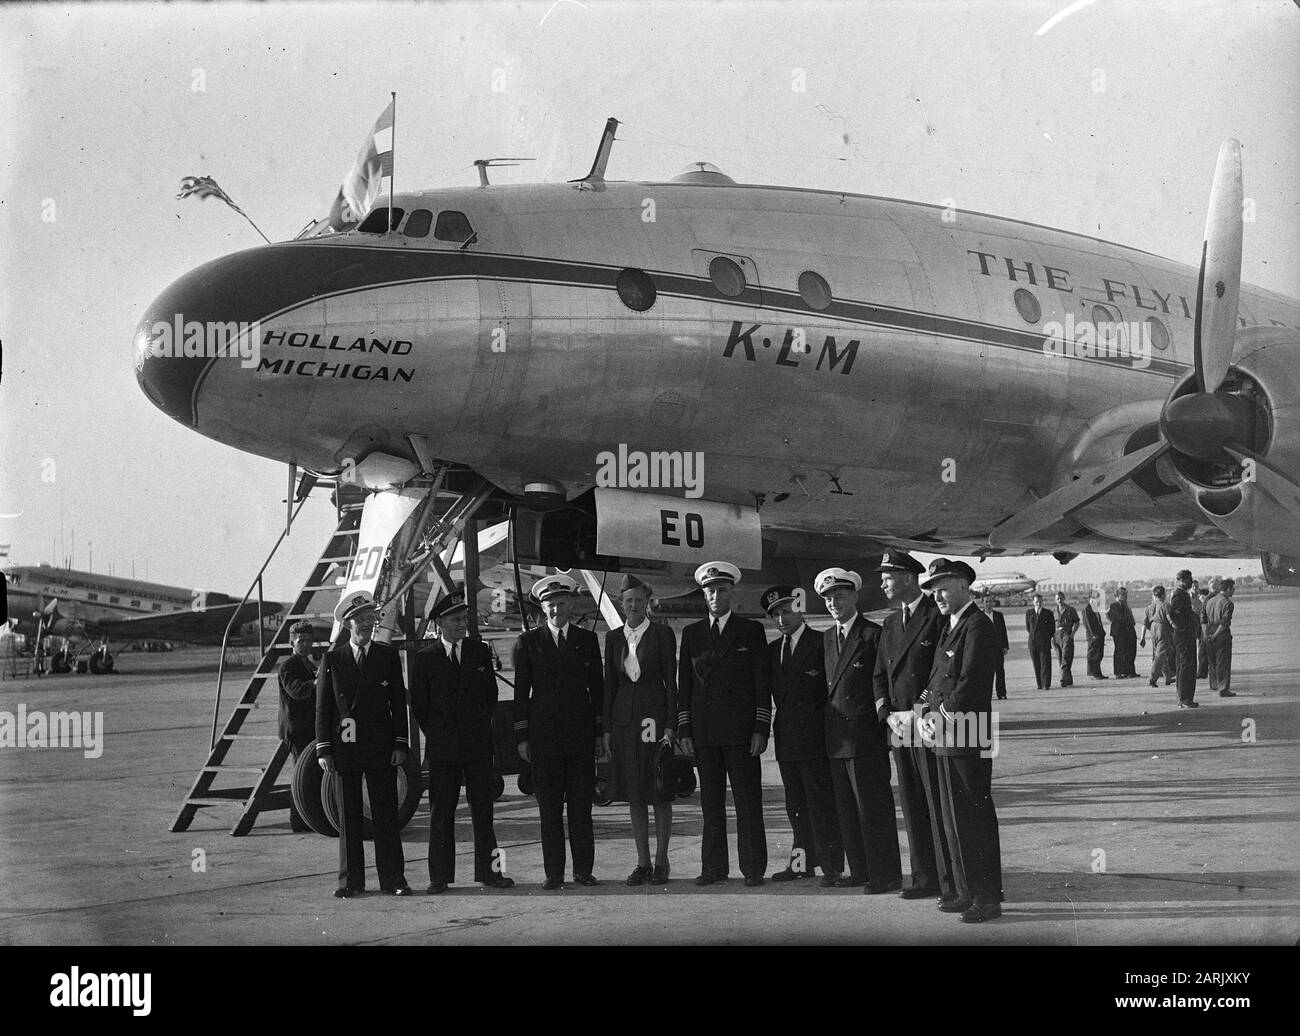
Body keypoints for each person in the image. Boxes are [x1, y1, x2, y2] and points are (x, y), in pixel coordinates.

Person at [410, 584, 513, 894]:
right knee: (442, 813)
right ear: (439, 623)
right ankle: (439, 877)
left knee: (485, 812)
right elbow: (420, 706)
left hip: (477, 746)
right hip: (443, 749)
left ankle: (491, 873)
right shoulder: (425, 659)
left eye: (463, 618)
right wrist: (441, 734)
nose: (461, 625)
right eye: (454, 620)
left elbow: (490, 698)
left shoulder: (478, 652)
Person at [916, 559, 1003, 924]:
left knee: (974, 814)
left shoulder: (978, 626)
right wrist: (921, 709)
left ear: (965, 587)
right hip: (947, 731)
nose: (937, 594)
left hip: (967, 729)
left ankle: (986, 897)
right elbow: (937, 680)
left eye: (943, 586)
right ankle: (966, 890)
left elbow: (971, 685)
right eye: (933, 589)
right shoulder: (951, 627)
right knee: (953, 817)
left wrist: (937, 716)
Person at [677, 561, 771, 887]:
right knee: (710, 805)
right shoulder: (691, 634)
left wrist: (761, 728)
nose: (716, 595)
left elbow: (762, 685)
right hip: (704, 733)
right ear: (703, 594)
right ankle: (713, 867)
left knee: (747, 802)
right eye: (710, 590)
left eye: (722, 589)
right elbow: (684, 687)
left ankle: (753, 868)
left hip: (742, 733)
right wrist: (684, 730)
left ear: (733, 592)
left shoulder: (750, 631)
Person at [316, 590, 412, 898]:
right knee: (350, 818)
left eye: (371, 618)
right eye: (361, 619)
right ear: (348, 624)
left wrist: (400, 742)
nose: (369, 624)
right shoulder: (333, 659)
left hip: (380, 746)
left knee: (385, 817)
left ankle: (394, 879)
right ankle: (350, 882)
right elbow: (324, 708)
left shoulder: (386, 656)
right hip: (346, 746)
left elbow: (398, 702)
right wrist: (324, 749)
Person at [512, 574, 604, 890]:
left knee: (581, 808)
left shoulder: (587, 640)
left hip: (579, 738)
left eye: (562, 604)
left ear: (570, 605)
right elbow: (521, 693)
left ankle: (583, 871)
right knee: (549, 811)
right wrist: (522, 736)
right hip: (543, 739)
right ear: (542, 608)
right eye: (551, 605)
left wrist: (600, 732)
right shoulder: (528, 642)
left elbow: (598, 690)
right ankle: (554, 873)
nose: (556, 610)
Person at [872, 551, 951, 901]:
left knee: (937, 802)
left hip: (929, 722)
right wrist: (886, 712)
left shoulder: (936, 616)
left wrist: (916, 711)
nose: (883, 583)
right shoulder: (889, 624)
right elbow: (879, 675)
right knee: (912, 802)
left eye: (888, 577)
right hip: (899, 725)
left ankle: (948, 880)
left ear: (907, 577)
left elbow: (939, 673)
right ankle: (923, 878)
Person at [818, 566, 902, 894]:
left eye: (840, 595)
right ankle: (861, 870)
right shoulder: (827, 637)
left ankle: (886, 875)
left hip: (865, 737)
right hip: (836, 739)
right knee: (848, 812)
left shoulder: (872, 634)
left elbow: (883, 683)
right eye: (828, 597)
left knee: (873, 810)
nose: (834, 602)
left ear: (855, 596)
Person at [762, 584, 843, 887]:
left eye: (785, 611)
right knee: (795, 806)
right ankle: (801, 865)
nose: (781, 619)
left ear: (800, 609)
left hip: (815, 739)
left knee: (822, 804)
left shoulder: (821, 642)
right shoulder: (772, 651)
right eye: (775, 615)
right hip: (787, 740)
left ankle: (833, 867)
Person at [602, 574, 678, 886]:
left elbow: (671, 683)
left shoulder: (662, 634)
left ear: (647, 603)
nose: (633, 605)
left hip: (654, 722)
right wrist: (607, 729)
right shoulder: (613, 638)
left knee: (658, 792)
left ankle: (662, 861)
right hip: (624, 724)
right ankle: (642, 862)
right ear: (621, 604)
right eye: (628, 600)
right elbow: (610, 686)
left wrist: (671, 724)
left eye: (638, 600)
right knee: (634, 794)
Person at [278, 620, 318, 832]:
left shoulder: (308, 665)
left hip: (308, 728)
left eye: (309, 641)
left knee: (308, 775)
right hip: (296, 730)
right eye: (301, 640)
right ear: (292, 642)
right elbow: (295, 690)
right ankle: (299, 821)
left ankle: (307, 818)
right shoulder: (288, 666)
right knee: (301, 776)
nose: (305, 644)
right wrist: (315, 683)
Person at [1168, 570, 1199, 709]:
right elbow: (1172, 612)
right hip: (1183, 637)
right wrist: (1181, 628)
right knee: (1185, 666)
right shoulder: (1178, 595)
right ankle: (1184, 699)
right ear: (1181, 580)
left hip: (1186, 635)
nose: (1191, 581)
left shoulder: (1183, 594)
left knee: (1188, 666)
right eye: (1188, 579)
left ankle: (1186, 698)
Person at [1204, 578, 1236, 697]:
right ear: (1227, 589)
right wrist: (1215, 635)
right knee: (1223, 662)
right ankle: (1223, 689)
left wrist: (1206, 634)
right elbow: (1224, 623)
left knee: (1212, 661)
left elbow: (1203, 619)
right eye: (1233, 589)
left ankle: (1214, 684)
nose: (1233, 591)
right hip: (1221, 634)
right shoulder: (1228, 603)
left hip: (1209, 630)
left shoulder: (1209, 601)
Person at [1142, 585, 1174, 689]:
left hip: (1152, 629)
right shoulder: (1166, 605)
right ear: (1164, 594)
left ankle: (1168, 676)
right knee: (1160, 655)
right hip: (1162, 629)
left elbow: (1144, 623)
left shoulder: (1149, 607)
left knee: (1160, 653)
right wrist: (1176, 628)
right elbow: (1170, 619)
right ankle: (1152, 678)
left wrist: (1142, 637)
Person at [1107, 586, 1140, 678]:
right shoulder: (1114, 605)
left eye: (1126, 594)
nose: (1125, 596)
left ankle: (1129, 671)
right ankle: (1118, 672)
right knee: (1119, 652)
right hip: (1119, 632)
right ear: (1117, 595)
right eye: (1123, 594)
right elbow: (1120, 617)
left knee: (1130, 651)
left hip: (1128, 631)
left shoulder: (1126, 605)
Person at [1025, 594, 1055, 689]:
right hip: (1033, 643)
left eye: (1040, 601)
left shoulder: (1048, 613)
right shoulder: (1029, 613)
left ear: (1042, 602)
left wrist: (1045, 637)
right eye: (1036, 601)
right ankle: (1039, 684)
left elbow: (1052, 629)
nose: (1038, 603)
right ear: (1033, 602)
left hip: (1044, 642)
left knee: (1045, 664)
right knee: (1036, 664)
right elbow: (1028, 628)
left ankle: (1046, 684)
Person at [1053, 592, 1079, 688]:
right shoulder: (1053, 611)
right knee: (1061, 659)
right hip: (1056, 636)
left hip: (1066, 635)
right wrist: (1051, 637)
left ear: (1064, 598)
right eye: (1057, 599)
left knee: (1065, 657)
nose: (1059, 600)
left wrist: (1072, 633)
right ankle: (1068, 680)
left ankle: (1063, 680)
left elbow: (1077, 622)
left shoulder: (1070, 610)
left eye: (1061, 598)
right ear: (1055, 600)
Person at [1082, 593, 1108, 680]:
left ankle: (1097, 673)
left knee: (1099, 655)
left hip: (1099, 635)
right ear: (1091, 598)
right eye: (1096, 598)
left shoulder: (1094, 608)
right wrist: (1093, 635)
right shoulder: (1087, 609)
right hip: (1093, 636)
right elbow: (1087, 623)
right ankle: (1092, 673)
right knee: (1093, 655)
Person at [1192, 582, 1210, 680]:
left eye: (1196, 586)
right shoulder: (1188, 597)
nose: (1195, 588)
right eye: (1193, 586)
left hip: (1202, 623)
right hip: (1194, 622)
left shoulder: (1203, 599)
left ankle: (1202, 670)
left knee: (1202, 647)